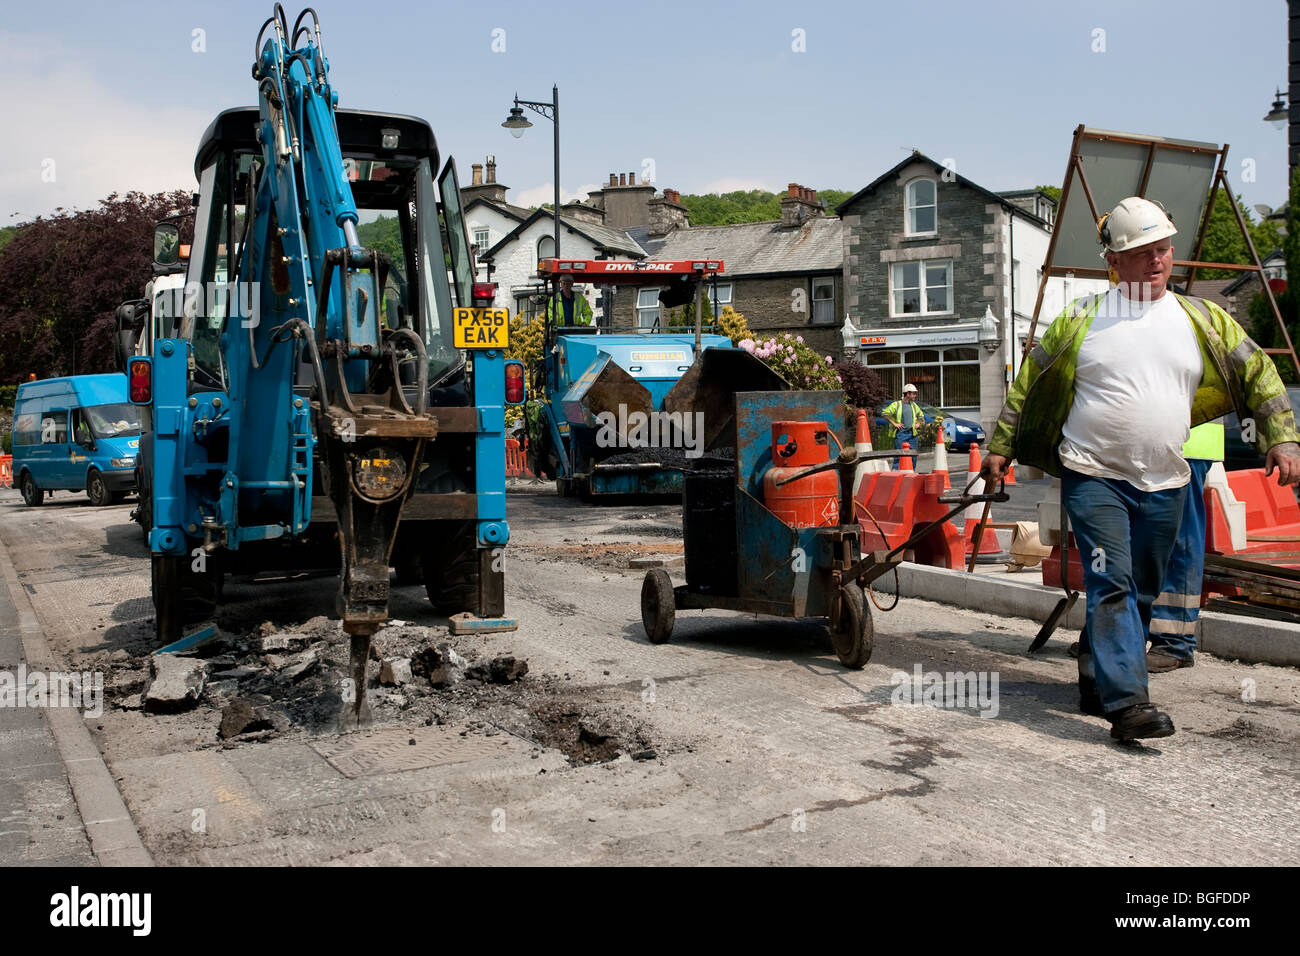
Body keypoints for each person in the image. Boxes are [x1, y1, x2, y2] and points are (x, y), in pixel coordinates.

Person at [981, 196, 1300, 742]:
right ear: (1115, 260)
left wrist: (1283, 437)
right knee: (1112, 583)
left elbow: (1259, 374)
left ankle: (1094, 671)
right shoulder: (1081, 320)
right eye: (1143, 251)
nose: (1157, 260)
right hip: (1093, 474)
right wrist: (1000, 447)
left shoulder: (1201, 318)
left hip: (1167, 480)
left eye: (1163, 248)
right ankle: (1129, 705)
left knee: (1144, 590)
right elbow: (1028, 386)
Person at [881, 384, 924, 468]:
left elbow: (921, 415)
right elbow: (884, 413)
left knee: (913, 456)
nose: (915, 395)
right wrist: (894, 424)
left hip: (912, 435)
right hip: (901, 434)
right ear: (908, 394)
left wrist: (918, 423)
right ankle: (896, 474)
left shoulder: (914, 405)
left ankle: (911, 474)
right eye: (914, 393)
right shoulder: (897, 405)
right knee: (899, 456)